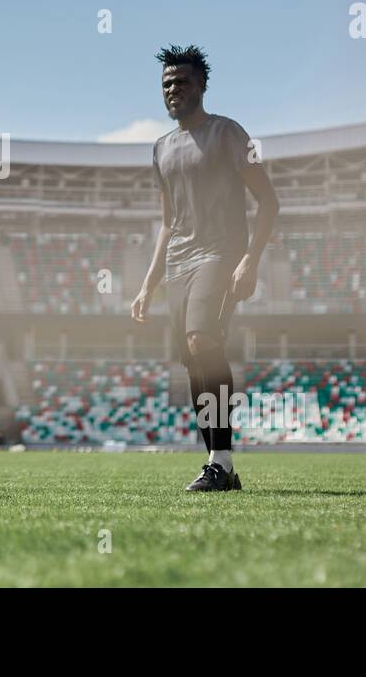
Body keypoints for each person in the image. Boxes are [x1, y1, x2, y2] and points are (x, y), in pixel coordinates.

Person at [130, 45, 279, 491]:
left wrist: (250, 260)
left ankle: (222, 459)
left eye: (183, 82)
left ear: (202, 86)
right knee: (193, 361)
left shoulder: (230, 133)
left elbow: (268, 201)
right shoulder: (160, 149)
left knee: (202, 340)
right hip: (179, 263)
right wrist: (146, 285)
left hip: (221, 254)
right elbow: (168, 223)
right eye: (167, 84)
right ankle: (219, 466)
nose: (174, 90)